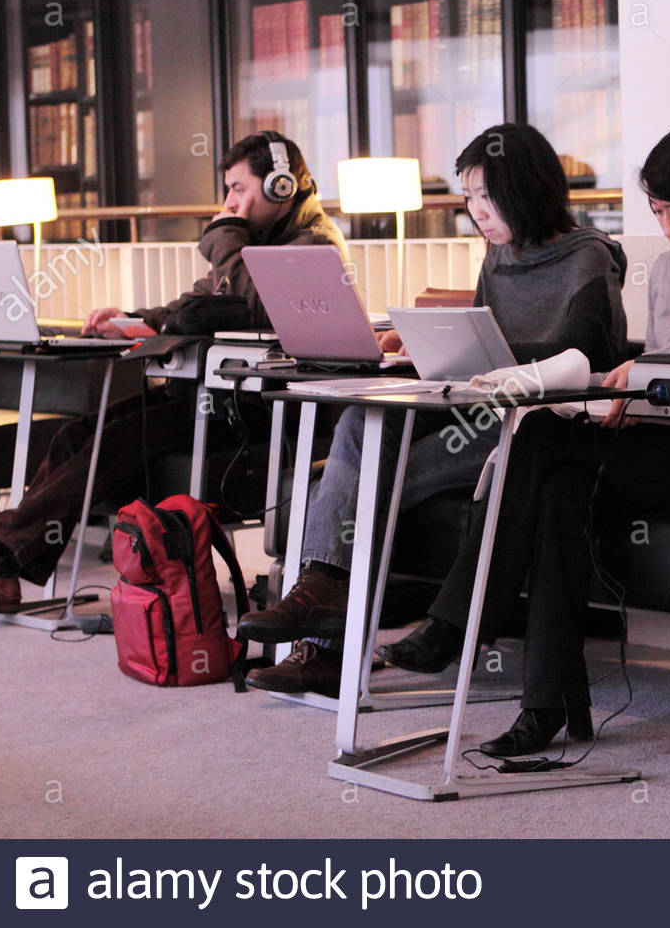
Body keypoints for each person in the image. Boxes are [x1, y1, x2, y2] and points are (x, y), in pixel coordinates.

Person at [377, 120, 670, 758]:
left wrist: (649, 369)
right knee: (552, 482)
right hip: (659, 440)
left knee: (542, 456)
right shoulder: (668, 268)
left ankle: (459, 624)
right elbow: (661, 373)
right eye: (657, 211)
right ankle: (545, 707)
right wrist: (629, 395)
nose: (667, 227)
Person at [239, 123, 628, 695]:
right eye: (468, 197)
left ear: (525, 189)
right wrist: (424, 348)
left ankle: (323, 639)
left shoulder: (589, 257)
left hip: (535, 427)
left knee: (374, 476)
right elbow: (479, 340)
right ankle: (319, 599)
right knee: (361, 423)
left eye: (484, 196)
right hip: (471, 407)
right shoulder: (497, 258)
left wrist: (483, 358)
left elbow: (585, 359)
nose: (475, 212)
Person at [0, 131, 345, 607]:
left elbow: (251, 304)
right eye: (227, 190)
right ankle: (1, 569)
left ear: (280, 187)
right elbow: (198, 302)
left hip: (262, 409)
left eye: (239, 188)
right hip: (212, 397)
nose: (229, 201)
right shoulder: (251, 237)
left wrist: (226, 235)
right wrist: (132, 321)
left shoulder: (314, 244)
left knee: (116, 440)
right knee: (73, 435)